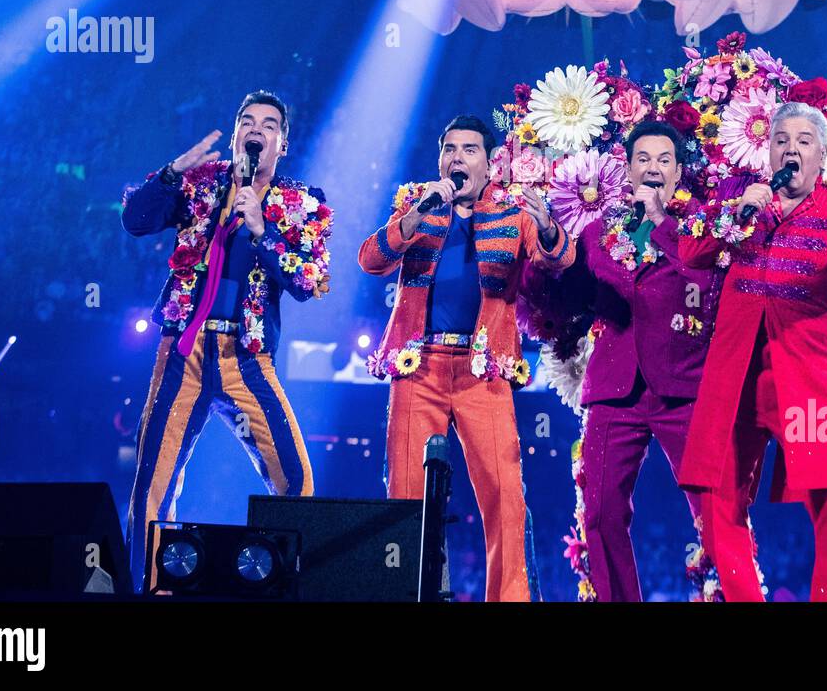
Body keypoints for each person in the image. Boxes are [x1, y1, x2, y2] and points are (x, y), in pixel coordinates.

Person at [676, 99, 827, 601]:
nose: (790, 149)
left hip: (809, 372)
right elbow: (691, 251)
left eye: (803, 141)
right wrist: (739, 211)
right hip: (736, 374)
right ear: (767, 151)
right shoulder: (742, 198)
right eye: (780, 140)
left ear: (822, 154)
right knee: (715, 498)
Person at [358, 114, 575, 602]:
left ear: (489, 162)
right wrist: (413, 217)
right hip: (419, 369)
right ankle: (406, 595)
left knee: (505, 498)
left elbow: (558, 263)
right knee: (408, 498)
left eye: (468, 150)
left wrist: (547, 228)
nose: (457, 158)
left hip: (483, 373)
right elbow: (371, 260)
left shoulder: (513, 213)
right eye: (449, 149)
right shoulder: (418, 208)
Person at [121, 91, 331, 592]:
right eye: (247, 121)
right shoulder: (199, 185)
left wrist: (263, 231)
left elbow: (308, 281)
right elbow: (135, 220)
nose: (256, 130)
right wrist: (171, 172)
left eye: (269, 125)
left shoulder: (300, 203)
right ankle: (149, 589)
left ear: (283, 143)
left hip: (246, 358)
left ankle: (283, 587)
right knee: (151, 487)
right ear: (237, 133)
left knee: (296, 484)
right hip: (184, 355)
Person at [554, 120, 724, 601]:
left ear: (679, 172)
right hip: (615, 389)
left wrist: (663, 225)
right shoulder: (597, 232)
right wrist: (550, 240)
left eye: (664, 160)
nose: (653, 169)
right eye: (643, 160)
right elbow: (572, 294)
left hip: (683, 387)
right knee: (602, 511)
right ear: (627, 170)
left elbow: (702, 280)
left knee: (714, 508)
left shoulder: (699, 229)